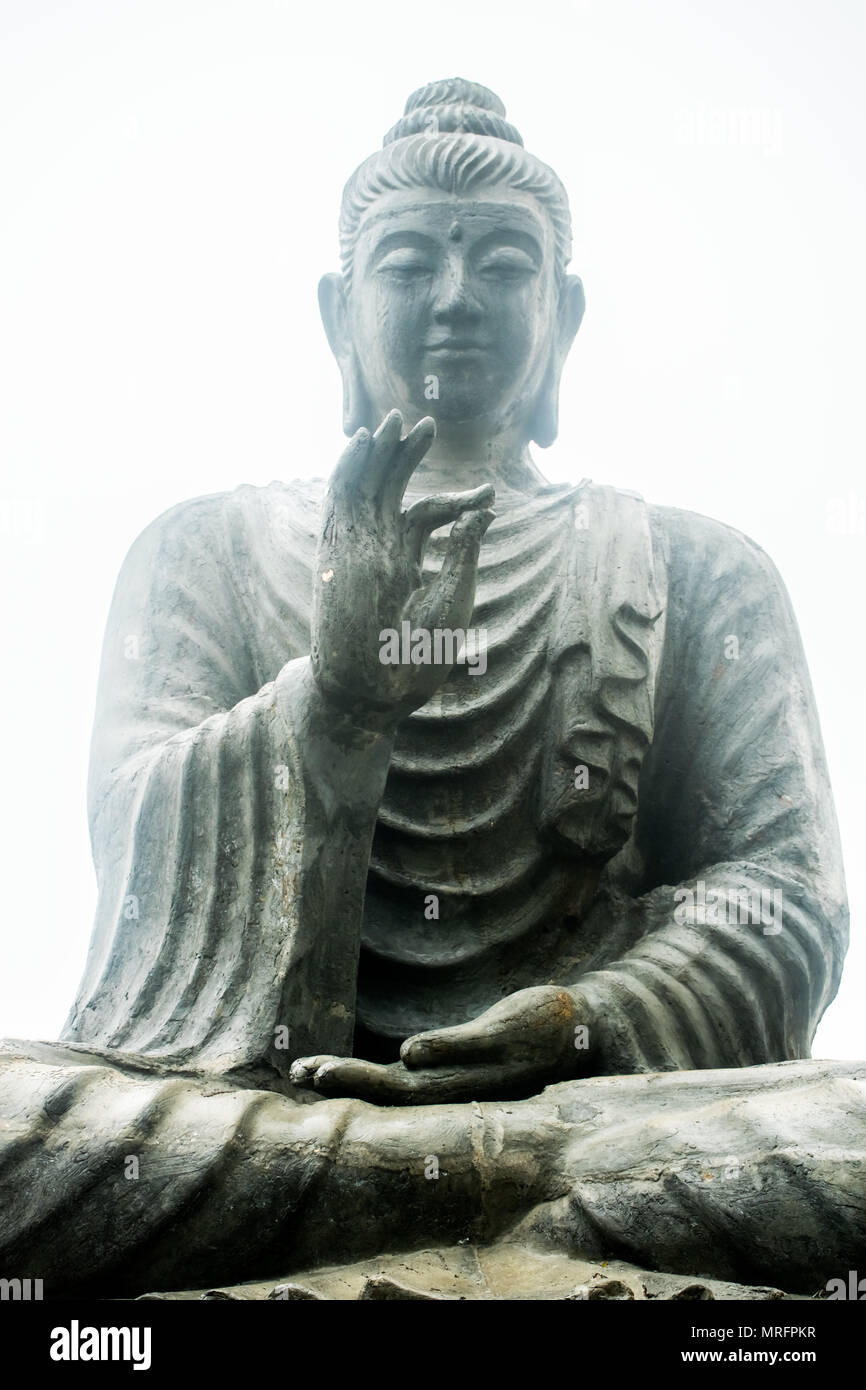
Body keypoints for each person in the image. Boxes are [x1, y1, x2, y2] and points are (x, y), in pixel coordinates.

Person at [0, 79, 859, 1299]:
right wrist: (337, 697)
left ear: (560, 315)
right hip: (269, 1114)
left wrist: (583, 1022)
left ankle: (485, 1172)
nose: (455, 297)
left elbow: (785, 897)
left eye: (502, 264)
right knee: (33, 1128)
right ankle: (508, 1189)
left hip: (610, 1106)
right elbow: (140, 868)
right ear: (334, 314)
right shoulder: (207, 549)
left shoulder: (696, 568)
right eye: (409, 262)